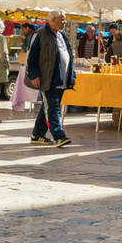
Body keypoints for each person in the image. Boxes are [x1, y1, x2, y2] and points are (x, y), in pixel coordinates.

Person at [26, 9, 76, 147]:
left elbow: (69, 56)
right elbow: (31, 57)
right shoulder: (40, 34)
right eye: (62, 19)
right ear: (52, 20)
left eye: (65, 19)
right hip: (47, 79)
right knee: (52, 107)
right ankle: (59, 136)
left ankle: (37, 135)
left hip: (62, 80)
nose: (65, 22)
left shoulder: (62, 35)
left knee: (48, 107)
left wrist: (72, 75)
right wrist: (34, 75)